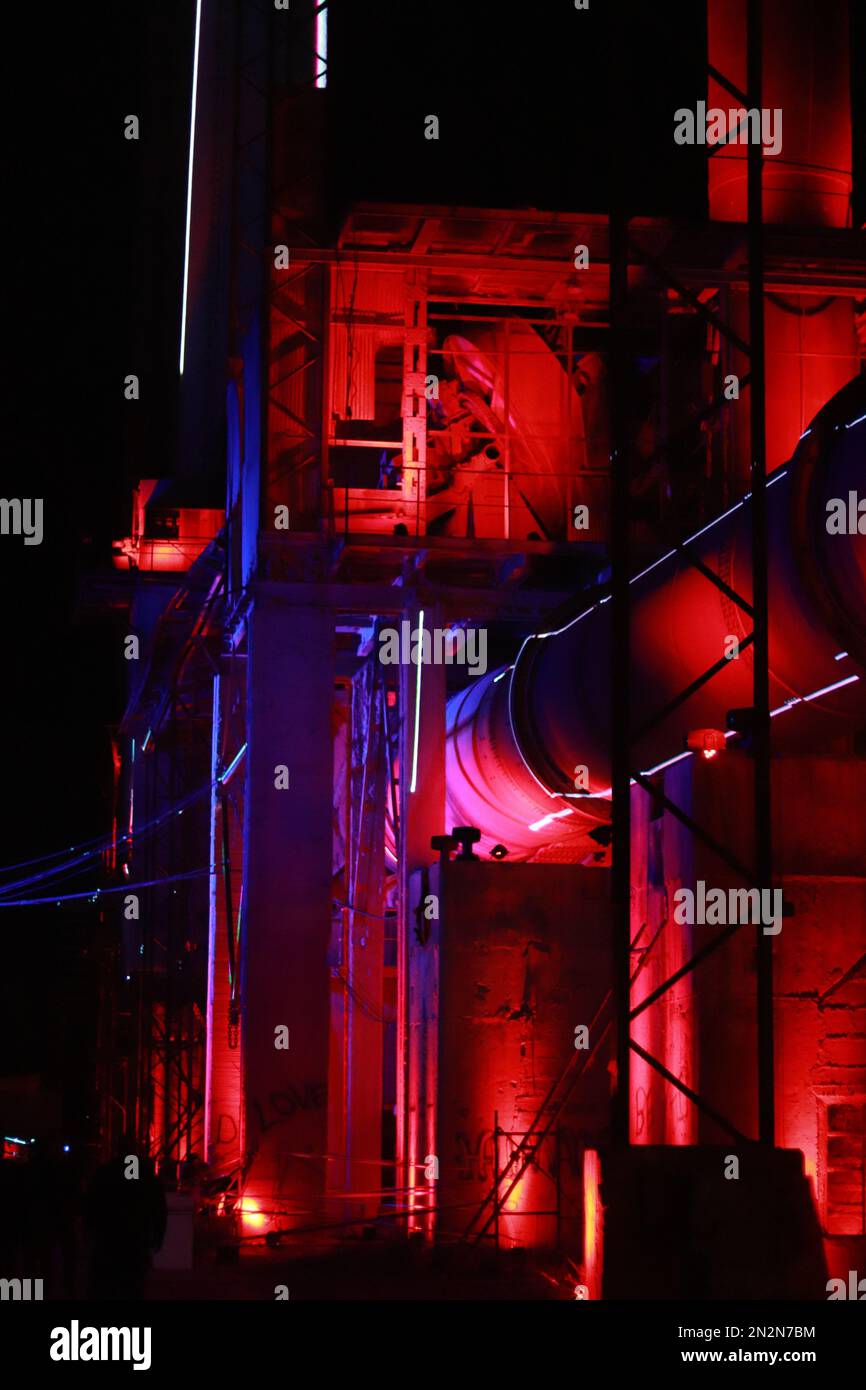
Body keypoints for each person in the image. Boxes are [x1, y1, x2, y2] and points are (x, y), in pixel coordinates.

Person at [84, 1139, 167, 1299]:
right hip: (136, 1237)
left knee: (109, 1283)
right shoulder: (144, 1175)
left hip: (109, 1237)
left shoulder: (105, 1172)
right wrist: (158, 1235)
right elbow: (158, 1208)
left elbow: (92, 1204)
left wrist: (89, 1230)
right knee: (133, 1283)